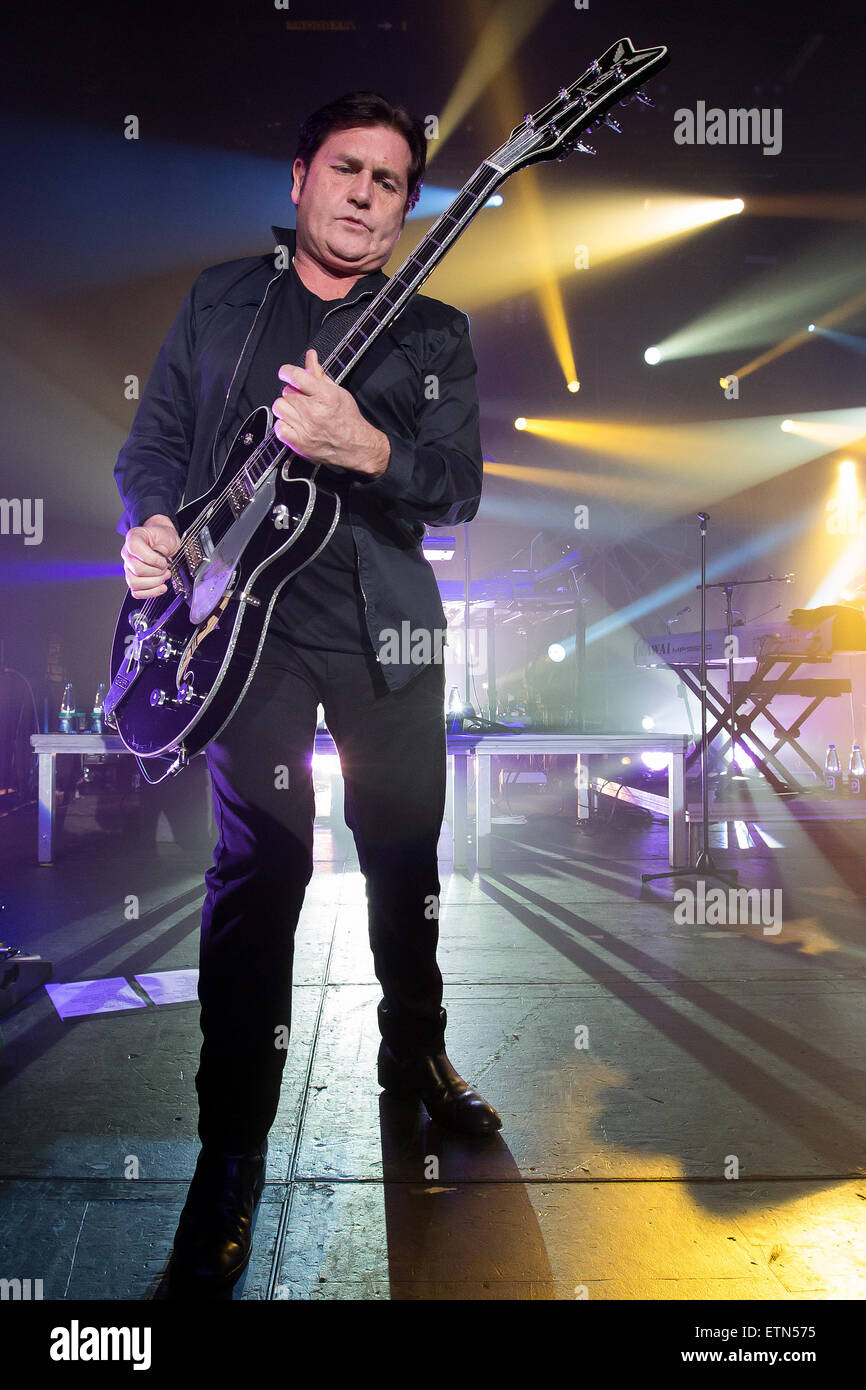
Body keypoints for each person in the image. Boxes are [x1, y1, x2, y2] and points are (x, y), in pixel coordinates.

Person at [114, 91, 501, 1299]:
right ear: (298, 177)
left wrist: (366, 445)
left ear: (404, 208)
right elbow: (154, 447)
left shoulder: (431, 331)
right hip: (246, 643)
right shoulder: (223, 302)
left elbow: (459, 490)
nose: (364, 196)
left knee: (404, 861)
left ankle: (417, 1055)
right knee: (257, 879)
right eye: (346, 169)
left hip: (384, 633)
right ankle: (228, 1159)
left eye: (389, 182)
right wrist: (149, 526)